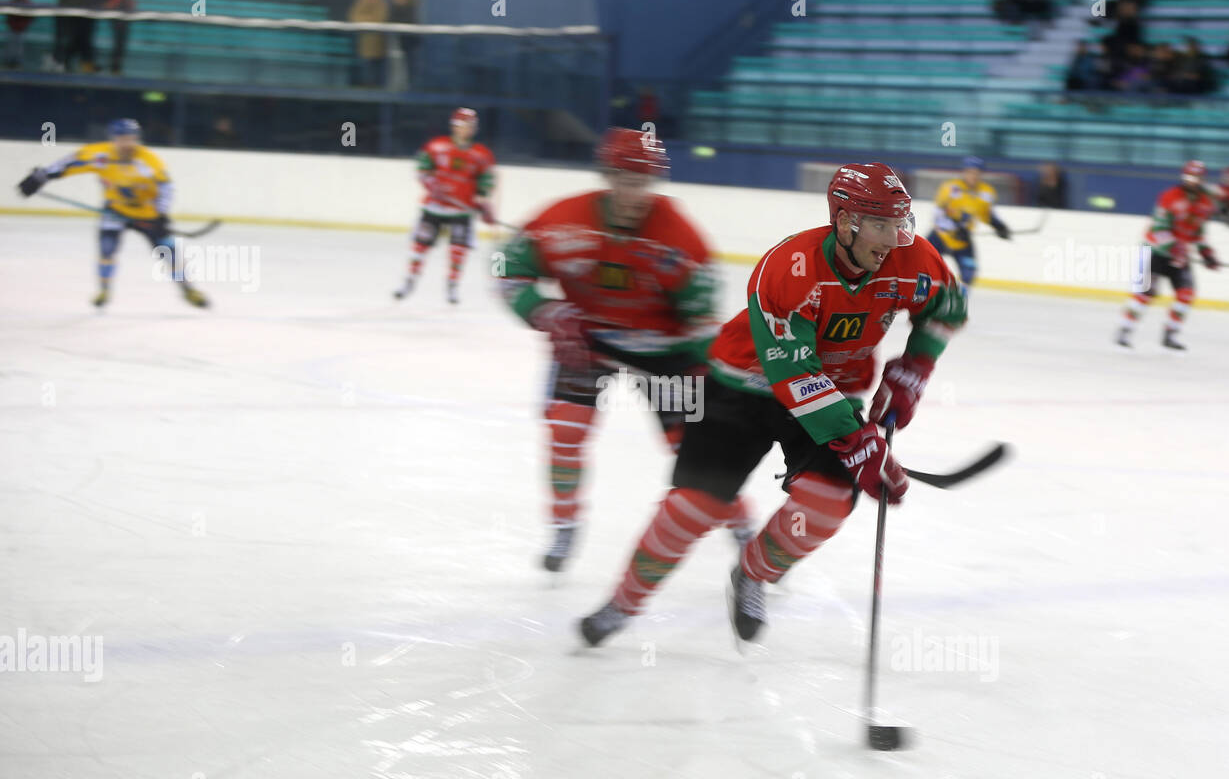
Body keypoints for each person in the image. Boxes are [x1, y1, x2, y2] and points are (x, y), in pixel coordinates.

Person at [577, 163, 967, 647]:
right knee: (693, 507)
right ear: (845, 221)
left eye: (899, 224)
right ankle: (624, 601)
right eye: (879, 225)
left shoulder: (913, 260)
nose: (893, 239)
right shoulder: (788, 268)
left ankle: (753, 574)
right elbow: (794, 373)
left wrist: (914, 369)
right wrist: (856, 440)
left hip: (835, 388)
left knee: (826, 506)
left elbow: (948, 308)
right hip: (739, 385)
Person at [498, 128, 753, 574]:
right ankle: (564, 525)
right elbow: (505, 265)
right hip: (587, 341)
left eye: (645, 181)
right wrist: (544, 311)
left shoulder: (680, 238)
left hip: (667, 351)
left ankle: (742, 525)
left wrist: (705, 372)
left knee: (692, 447)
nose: (637, 193)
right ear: (607, 177)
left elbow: (702, 319)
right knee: (565, 429)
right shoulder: (564, 220)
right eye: (627, 179)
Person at [15, 118, 210, 310]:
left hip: (147, 214)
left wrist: (161, 216)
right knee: (107, 251)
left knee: (169, 253)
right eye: (122, 138)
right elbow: (70, 163)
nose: (127, 143)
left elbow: (166, 188)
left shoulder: (149, 161)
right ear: (113, 139)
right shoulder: (100, 155)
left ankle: (188, 290)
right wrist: (41, 176)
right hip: (115, 211)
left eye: (132, 138)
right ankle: (104, 290)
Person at [1115, 161, 1218, 352]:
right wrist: (1175, 247)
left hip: (1178, 255)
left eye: (1196, 177)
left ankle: (1170, 333)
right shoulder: (1169, 197)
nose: (1192, 181)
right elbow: (1159, 228)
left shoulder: (1205, 202)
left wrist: (1207, 253)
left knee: (1186, 293)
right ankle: (1125, 329)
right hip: (1154, 250)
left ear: (1202, 179)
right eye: (1189, 176)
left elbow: (1198, 233)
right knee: (1145, 293)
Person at [395, 107, 495, 304]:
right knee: (420, 246)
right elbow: (422, 168)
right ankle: (409, 280)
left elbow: (486, 181)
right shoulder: (436, 146)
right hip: (434, 207)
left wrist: (482, 202)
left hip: (462, 211)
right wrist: (431, 185)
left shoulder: (481, 154)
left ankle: (452, 286)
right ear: (454, 126)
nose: (465, 129)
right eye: (461, 125)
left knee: (458, 250)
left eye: (469, 125)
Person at [927, 155, 1011, 297]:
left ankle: (958, 302)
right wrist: (954, 227)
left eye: (977, 172)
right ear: (964, 172)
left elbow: (987, 214)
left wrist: (999, 226)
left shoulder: (986, 192)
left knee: (969, 273)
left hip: (963, 240)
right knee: (924, 268)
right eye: (970, 171)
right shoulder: (950, 188)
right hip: (940, 237)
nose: (973, 175)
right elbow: (938, 214)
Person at [347, 0, 388, 87]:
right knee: (363, 68)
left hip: (379, 47)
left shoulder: (381, 5)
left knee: (375, 70)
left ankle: (373, 88)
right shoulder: (360, 5)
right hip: (362, 45)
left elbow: (380, 20)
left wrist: (366, 20)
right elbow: (354, 18)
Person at [103, 0, 134, 74]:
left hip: (124, 27)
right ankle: (114, 68)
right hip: (116, 27)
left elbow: (132, 9)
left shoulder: (129, 0)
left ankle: (117, 68)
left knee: (121, 48)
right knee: (116, 47)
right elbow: (107, 6)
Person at [4, 0, 33, 70]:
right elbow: (8, 15)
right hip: (13, 28)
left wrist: (24, 24)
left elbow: (31, 15)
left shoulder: (27, 2)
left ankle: (17, 63)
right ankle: (9, 63)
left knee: (19, 47)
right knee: (11, 46)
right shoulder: (13, 1)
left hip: (22, 29)